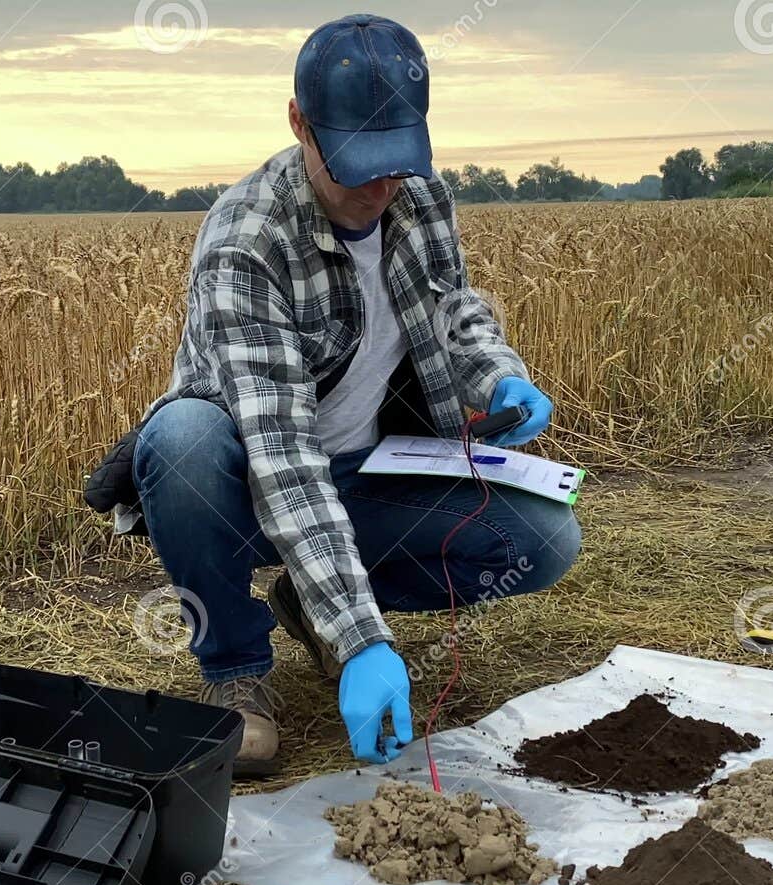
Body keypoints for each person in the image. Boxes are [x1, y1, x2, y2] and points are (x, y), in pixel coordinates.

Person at [114, 14, 580, 776]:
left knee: (543, 542)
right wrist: (368, 644)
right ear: (300, 122)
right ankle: (236, 669)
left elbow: (454, 309)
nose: (380, 185)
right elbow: (284, 458)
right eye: (358, 163)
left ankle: (313, 602)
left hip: (370, 468)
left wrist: (497, 373)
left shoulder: (420, 199)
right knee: (182, 441)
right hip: (245, 487)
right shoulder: (246, 243)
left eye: (397, 160)